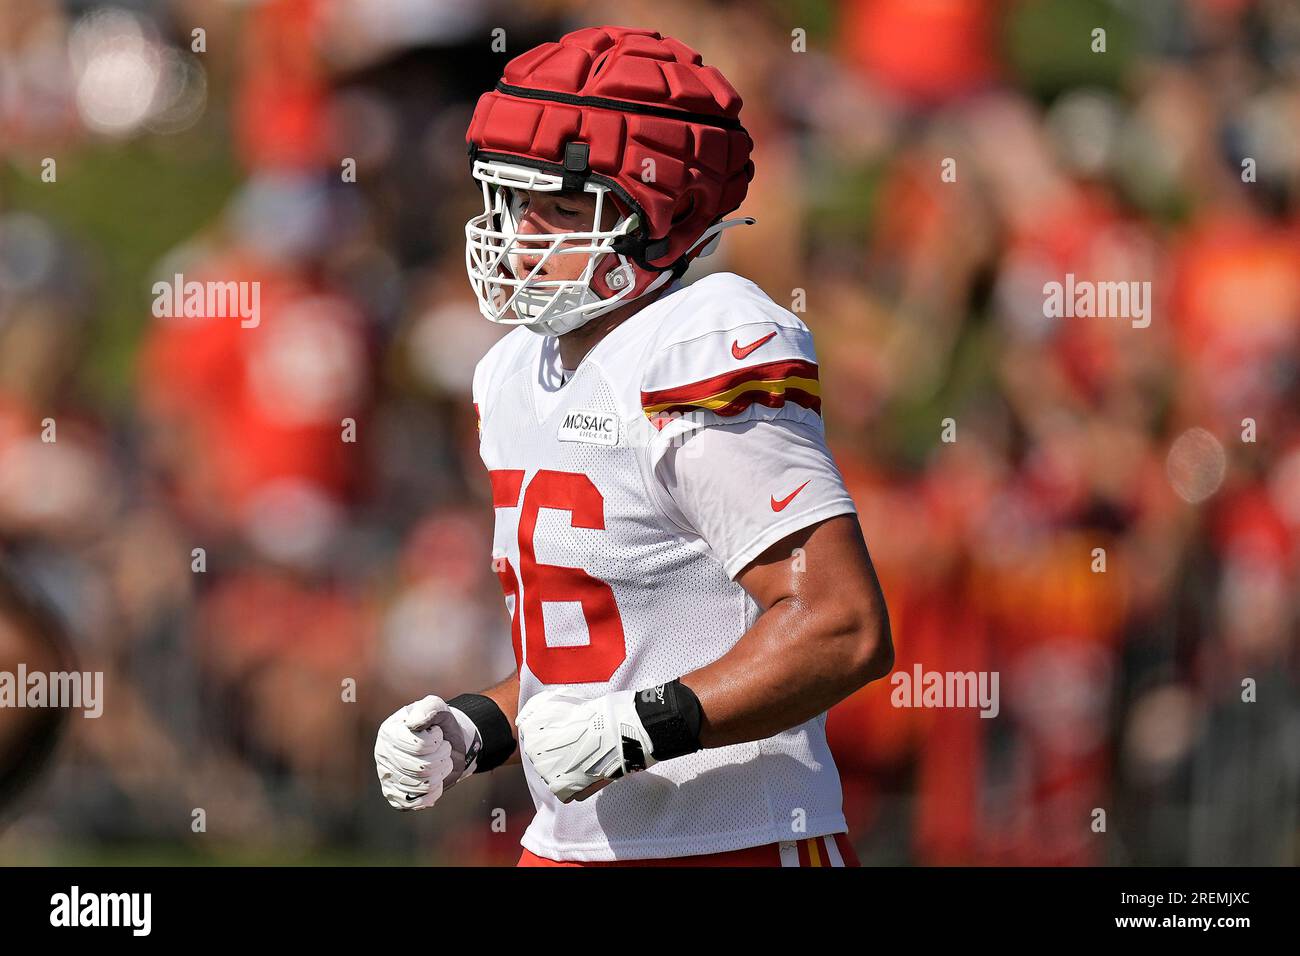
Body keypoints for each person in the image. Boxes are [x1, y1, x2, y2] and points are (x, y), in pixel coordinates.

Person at [375, 25, 892, 866]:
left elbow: (840, 627)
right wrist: (477, 725)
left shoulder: (701, 342)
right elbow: (594, 664)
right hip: (566, 850)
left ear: (662, 214)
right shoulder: (511, 372)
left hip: (735, 841)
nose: (521, 233)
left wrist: (644, 728)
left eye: (563, 206)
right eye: (512, 199)